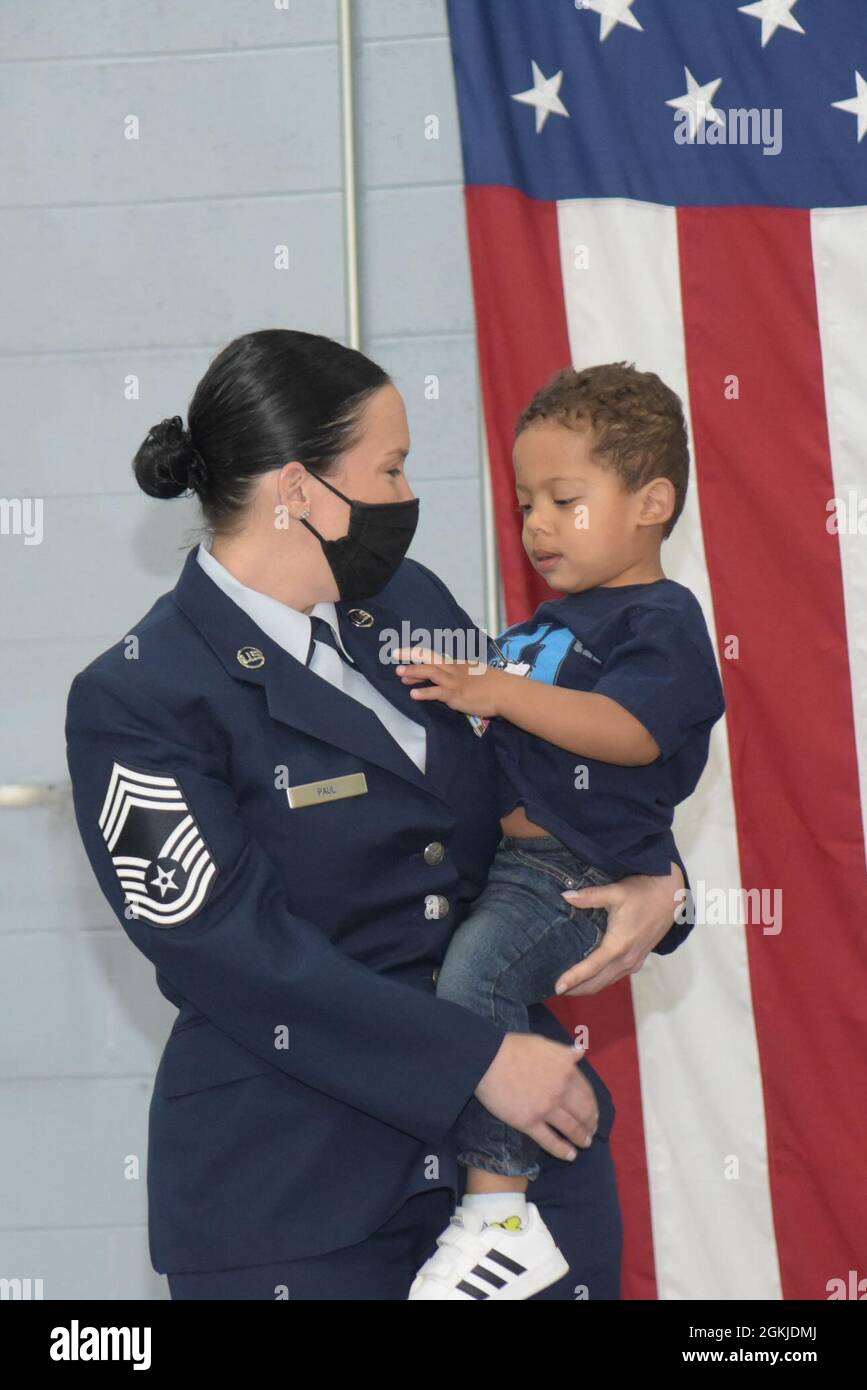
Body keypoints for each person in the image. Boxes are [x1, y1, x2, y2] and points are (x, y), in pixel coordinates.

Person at [64, 330, 691, 1301]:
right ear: (299, 489)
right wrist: (477, 1057)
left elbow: (548, 774)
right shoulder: (141, 697)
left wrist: (662, 885)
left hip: (521, 1174)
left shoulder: (408, 603)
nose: (407, 497)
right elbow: (233, 950)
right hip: (297, 1195)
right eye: (389, 468)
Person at [396, 363, 725, 1300]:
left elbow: (630, 731)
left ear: (653, 501)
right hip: (515, 865)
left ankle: (499, 1221)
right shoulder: (548, 623)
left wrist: (499, 689)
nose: (536, 523)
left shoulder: (660, 618)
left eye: (564, 499)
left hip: (573, 874)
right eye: (524, 501)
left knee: (476, 980)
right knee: (465, 986)